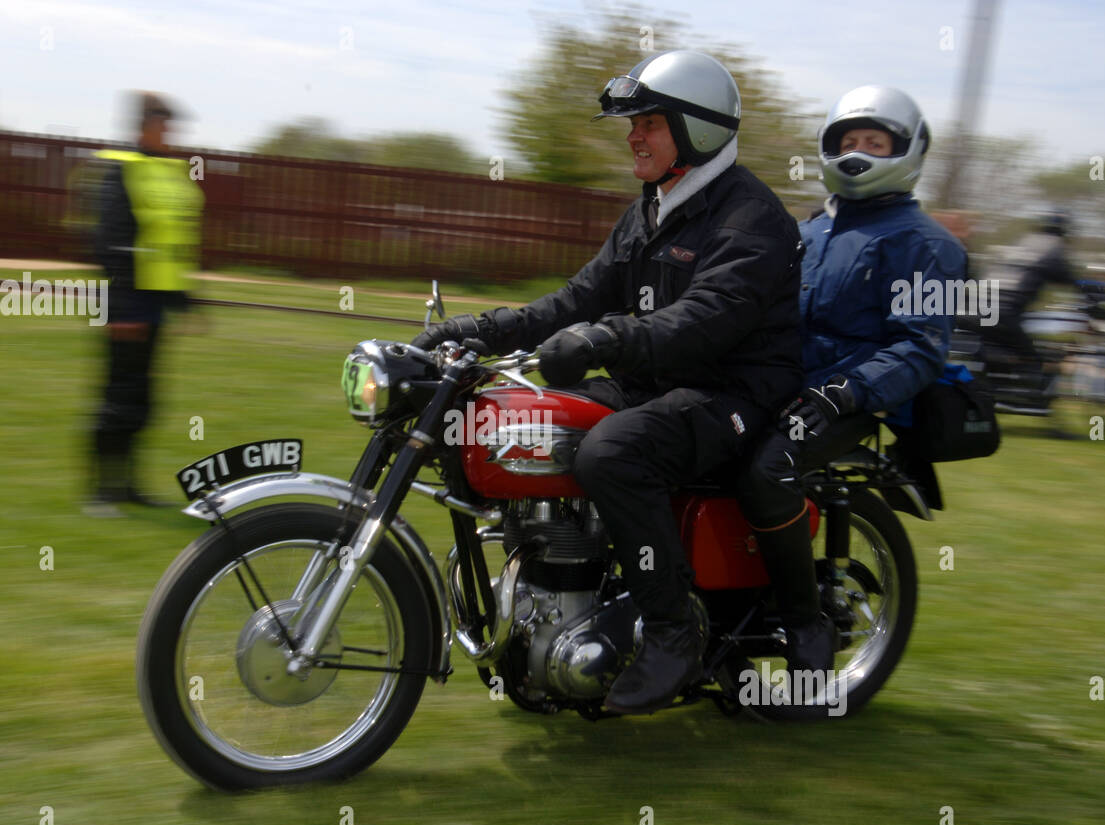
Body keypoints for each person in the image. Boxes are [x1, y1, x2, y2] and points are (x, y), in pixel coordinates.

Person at [412, 51, 804, 714]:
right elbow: (576, 299)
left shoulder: (752, 218)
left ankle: (673, 630)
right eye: (633, 123)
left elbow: (703, 322)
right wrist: (478, 332)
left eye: (649, 122)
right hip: (655, 386)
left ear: (697, 130)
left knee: (612, 452)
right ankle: (547, 597)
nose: (633, 135)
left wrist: (605, 340)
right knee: (516, 422)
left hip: (735, 395)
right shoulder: (650, 211)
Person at [736, 85, 967, 675]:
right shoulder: (808, 234)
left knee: (768, 471)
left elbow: (920, 348)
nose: (857, 151)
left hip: (847, 400)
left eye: (875, 141)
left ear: (907, 150)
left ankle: (802, 621)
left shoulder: (929, 245)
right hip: (777, 387)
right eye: (848, 141)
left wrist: (846, 391)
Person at [87, 91, 204, 515]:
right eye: (163, 121)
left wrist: (184, 301)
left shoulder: (167, 171)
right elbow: (109, 241)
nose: (170, 129)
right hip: (124, 303)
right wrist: (121, 308)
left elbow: (167, 242)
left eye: (171, 122)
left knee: (142, 400)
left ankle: (128, 486)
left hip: (153, 302)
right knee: (116, 397)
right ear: (144, 124)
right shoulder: (122, 169)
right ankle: (99, 492)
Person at [980, 210, 1079, 381]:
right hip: (1003, 314)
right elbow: (1069, 280)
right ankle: (1026, 401)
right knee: (1032, 362)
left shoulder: (1021, 242)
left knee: (994, 354)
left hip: (976, 307)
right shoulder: (1053, 248)